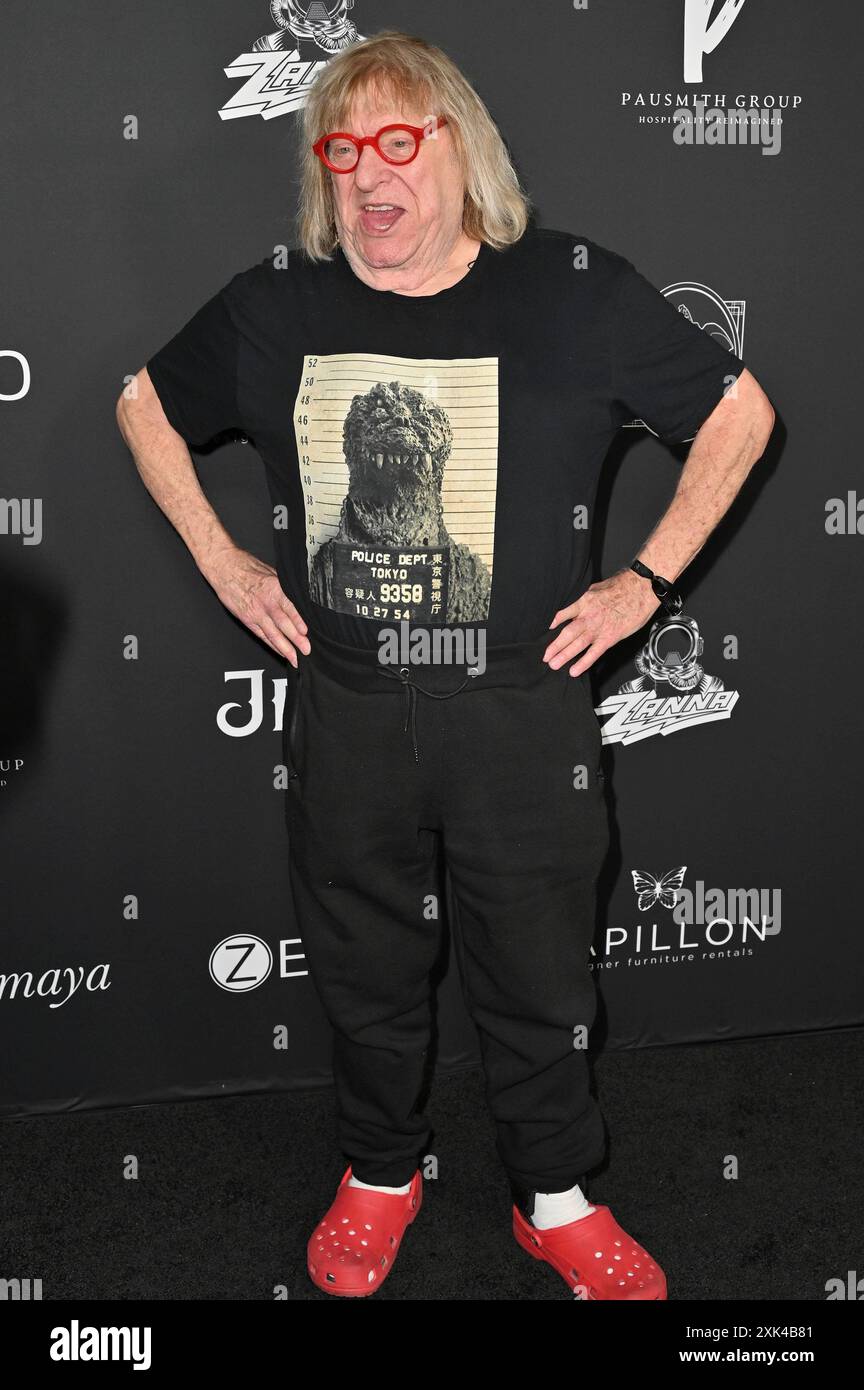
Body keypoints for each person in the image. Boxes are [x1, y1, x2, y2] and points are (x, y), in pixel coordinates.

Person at [116, 29, 775, 1300]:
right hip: (349, 711)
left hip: (523, 716)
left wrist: (646, 581)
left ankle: (557, 1194)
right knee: (363, 964)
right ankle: (380, 1170)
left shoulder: (574, 293)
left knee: (538, 970)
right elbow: (145, 401)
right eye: (346, 147)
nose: (372, 174)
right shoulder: (278, 304)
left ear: (460, 154)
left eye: (400, 142)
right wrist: (220, 560)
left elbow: (740, 413)